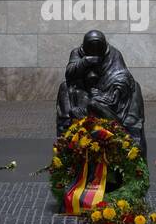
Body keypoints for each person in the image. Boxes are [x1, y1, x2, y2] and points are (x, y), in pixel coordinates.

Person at [55, 29, 147, 158]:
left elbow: (122, 75)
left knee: (134, 87)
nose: (95, 51)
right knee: (65, 88)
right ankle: (71, 127)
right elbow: (69, 73)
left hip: (106, 91)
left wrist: (112, 93)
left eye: (98, 48)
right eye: (91, 48)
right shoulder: (76, 53)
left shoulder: (114, 54)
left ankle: (117, 125)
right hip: (84, 90)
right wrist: (86, 61)